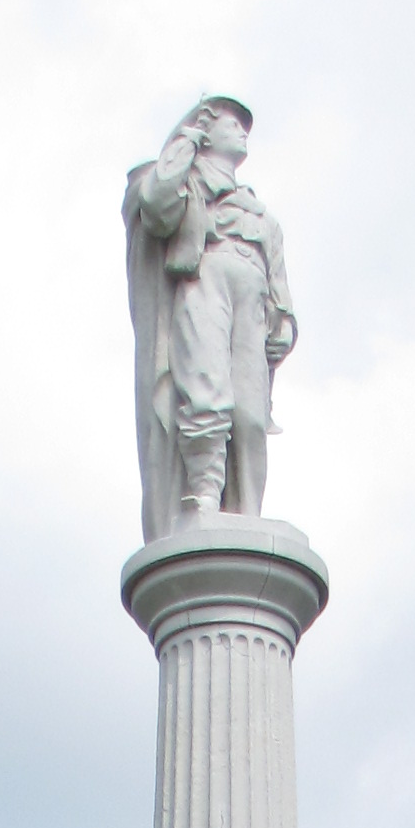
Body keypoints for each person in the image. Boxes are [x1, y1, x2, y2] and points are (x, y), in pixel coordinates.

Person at [123, 95, 296, 539]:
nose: (242, 130)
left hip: (251, 295)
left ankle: (248, 513)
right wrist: (185, 142)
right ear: (204, 127)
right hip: (203, 280)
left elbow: (276, 275)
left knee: (251, 415)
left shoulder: (260, 213)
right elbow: (157, 209)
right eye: (230, 121)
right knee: (206, 394)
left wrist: (283, 319)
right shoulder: (183, 180)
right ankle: (203, 498)